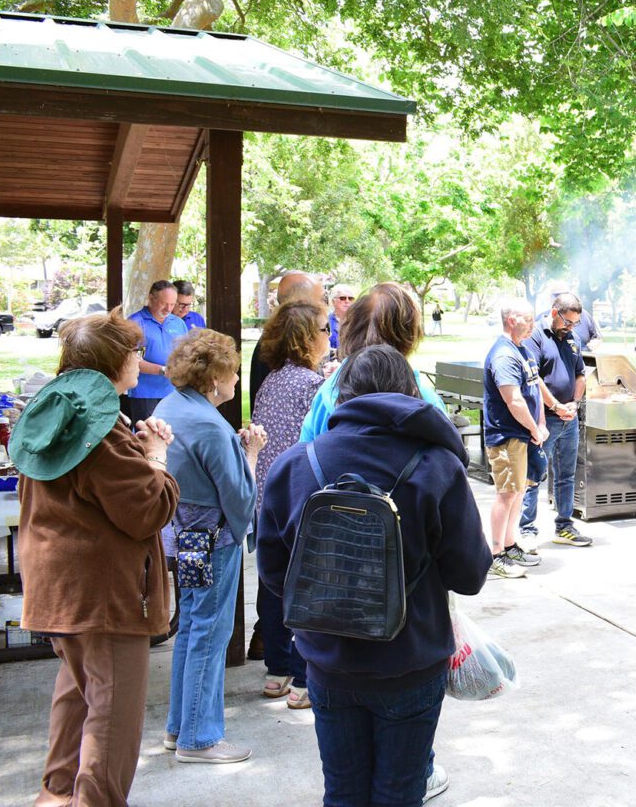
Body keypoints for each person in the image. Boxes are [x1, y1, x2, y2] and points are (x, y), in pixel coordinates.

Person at [258, 345, 491, 806]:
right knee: (400, 794)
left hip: (327, 660)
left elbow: (273, 573)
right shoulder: (438, 466)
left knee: (342, 792)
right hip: (411, 660)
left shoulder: (296, 464)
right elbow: (469, 574)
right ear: (409, 393)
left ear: (341, 394)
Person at [15, 313, 180, 806]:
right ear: (115, 360)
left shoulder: (53, 406)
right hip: (102, 594)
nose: (139, 359)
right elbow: (147, 510)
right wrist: (155, 455)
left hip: (60, 589)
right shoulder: (98, 426)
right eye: (133, 351)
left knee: (77, 694)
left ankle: (56, 795)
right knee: (112, 714)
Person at [155, 329, 266, 762]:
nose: (237, 380)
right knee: (210, 632)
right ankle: (199, 739)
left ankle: (179, 727)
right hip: (213, 539)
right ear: (215, 378)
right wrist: (252, 453)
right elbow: (240, 497)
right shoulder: (211, 425)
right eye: (234, 373)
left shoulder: (171, 406)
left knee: (191, 627)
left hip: (183, 534)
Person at [250, 299, 330, 711]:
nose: (329, 335)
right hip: (301, 498)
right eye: (323, 328)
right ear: (305, 338)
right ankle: (301, 678)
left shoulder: (273, 380)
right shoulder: (311, 385)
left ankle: (277, 671)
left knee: (274, 584)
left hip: (269, 495)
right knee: (306, 588)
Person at [297, 283, 447, 444]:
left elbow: (304, 452)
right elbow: (449, 461)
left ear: (350, 328)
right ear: (408, 336)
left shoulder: (328, 394)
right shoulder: (426, 401)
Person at [519, 293, 594, 548]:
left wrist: (574, 403)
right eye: (568, 322)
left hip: (568, 419)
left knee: (566, 474)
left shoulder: (572, 338)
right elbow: (534, 378)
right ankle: (526, 529)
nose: (571, 327)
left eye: (575, 323)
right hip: (544, 420)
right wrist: (555, 405)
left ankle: (564, 525)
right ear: (554, 312)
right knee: (534, 474)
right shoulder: (535, 336)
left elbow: (581, 374)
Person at [483, 298, 548, 577]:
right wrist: (534, 429)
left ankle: (510, 545)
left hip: (525, 435)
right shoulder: (503, 355)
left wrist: (541, 423)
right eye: (528, 319)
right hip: (507, 436)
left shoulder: (523, 350)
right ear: (512, 320)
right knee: (507, 494)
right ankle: (496, 554)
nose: (533, 324)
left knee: (518, 492)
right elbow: (514, 401)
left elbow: (534, 390)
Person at [248, 271, 324, 410]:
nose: (324, 306)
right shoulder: (282, 345)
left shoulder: (273, 339)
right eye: (321, 300)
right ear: (301, 304)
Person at [124, 279, 189, 424]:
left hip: (174, 391)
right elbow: (134, 359)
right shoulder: (136, 323)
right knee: (148, 435)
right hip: (145, 393)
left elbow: (185, 353)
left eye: (172, 304)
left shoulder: (178, 323)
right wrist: (162, 370)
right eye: (164, 303)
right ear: (151, 299)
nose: (168, 308)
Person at [327, 283, 357, 352]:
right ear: (333, 301)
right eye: (342, 298)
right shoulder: (325, 321)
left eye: (350, 298)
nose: (347, 301)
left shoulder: (359, 321)